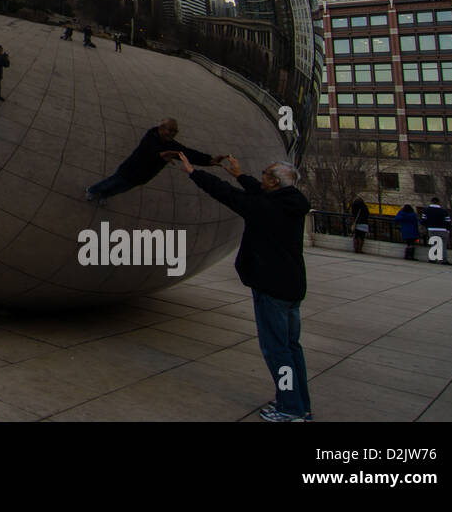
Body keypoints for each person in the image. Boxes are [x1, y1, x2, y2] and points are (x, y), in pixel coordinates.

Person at [173, 152, 312, 422]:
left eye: (264, 173)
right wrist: (239, 175)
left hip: (272, 289)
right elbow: (256, 192)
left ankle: (290, 408)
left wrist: (194, 173)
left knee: (277, 350)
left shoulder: (266, 209)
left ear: (273, 182)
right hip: (291, 287)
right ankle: (299, 403)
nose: (260, 176)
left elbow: (228, 195)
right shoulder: (291, 201)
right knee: (292, 348)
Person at [86, 118, 227, 203]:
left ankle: (104, 195)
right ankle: (92, 190)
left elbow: (188, 153)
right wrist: (160, 155)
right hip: (128, 171)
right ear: (161, 128)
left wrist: (209, 160)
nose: (171, 134)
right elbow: (149, 150)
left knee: (119, 189)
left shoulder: (171, 144)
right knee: (111, 182)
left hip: (141, 177)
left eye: (174, 132)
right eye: (169, 130)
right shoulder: (150, 137)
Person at [421, 198, 452, 265]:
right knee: (443, 245)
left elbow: (423, 221)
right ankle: (443, 260)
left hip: (432, 229)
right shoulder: (444, 211)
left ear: (431, 202)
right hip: (443, 230)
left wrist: (428, 227)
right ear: (438, 202)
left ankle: (432, 258)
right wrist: (448, 230)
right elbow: (448, 222)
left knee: (434, 244)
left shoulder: (426, 210)